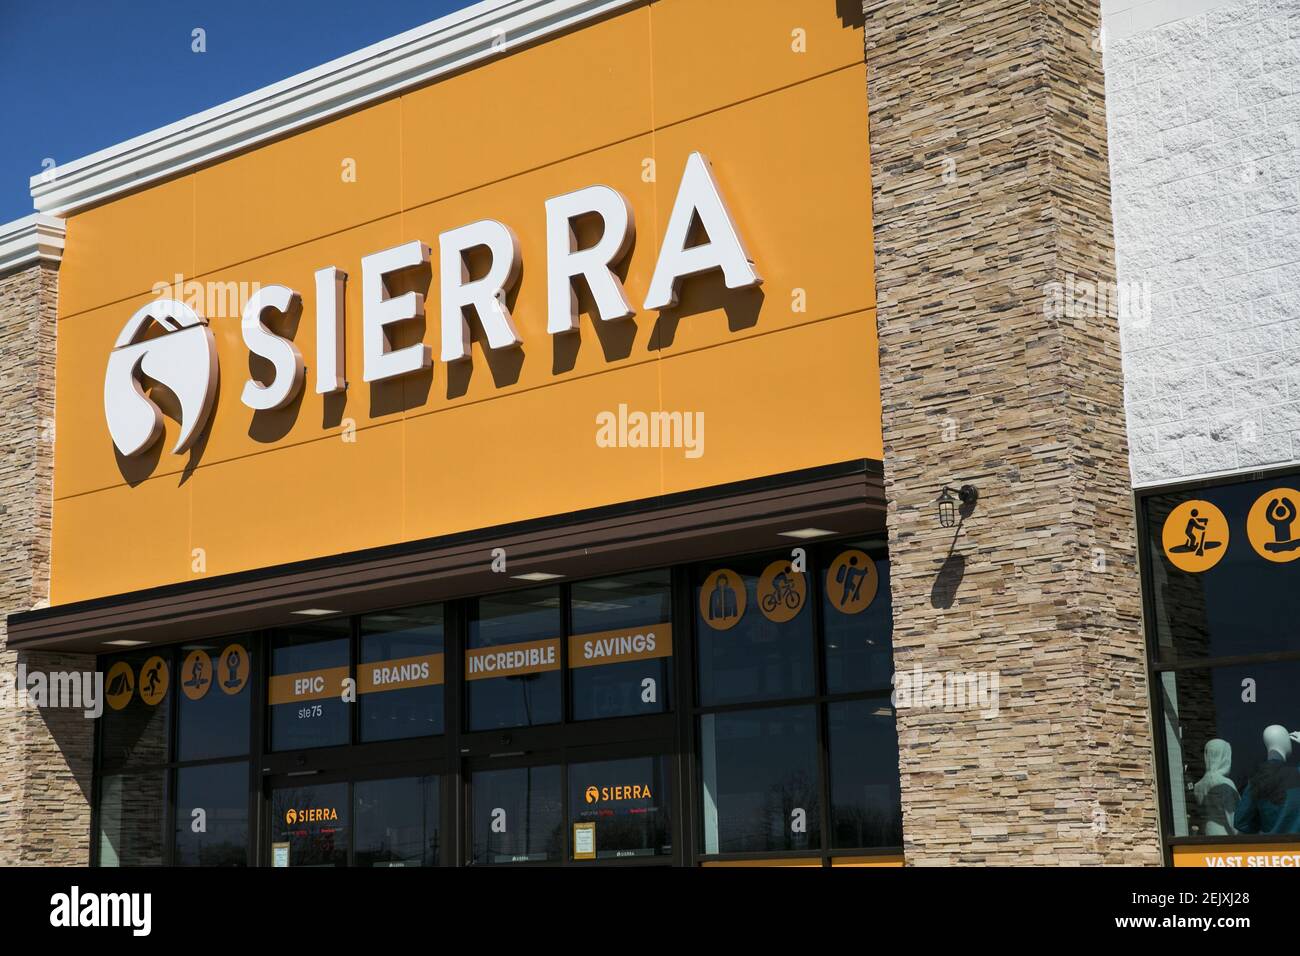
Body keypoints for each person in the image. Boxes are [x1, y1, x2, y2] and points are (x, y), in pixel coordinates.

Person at [1234, 725, 1300, 835]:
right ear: (1286, 743)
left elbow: (1241, 822)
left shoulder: (1256, 780)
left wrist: (1263, 825)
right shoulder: (1297, 774)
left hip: (1271, 848)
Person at [1192, 739, 1238, 836]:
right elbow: (1232, 818)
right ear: (1224, 756)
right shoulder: (1225, 784)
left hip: (1207, 831)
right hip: (1224, 834)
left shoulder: (1198, 786)